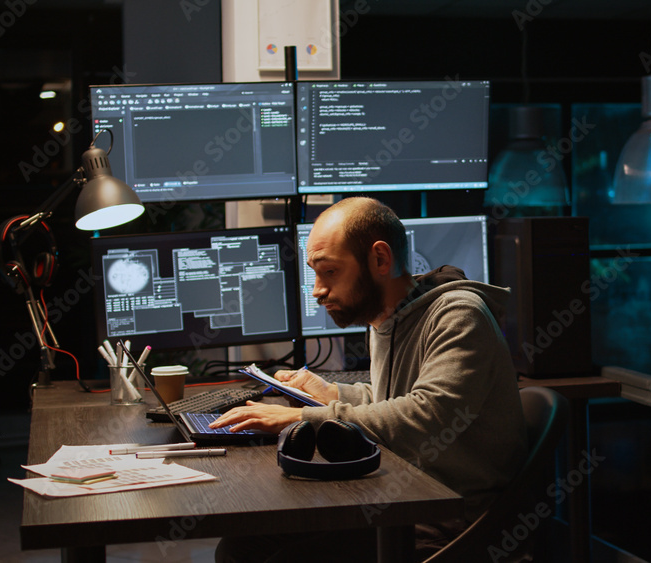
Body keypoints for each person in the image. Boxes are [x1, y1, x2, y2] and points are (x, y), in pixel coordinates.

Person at [211, 197, 527, 562]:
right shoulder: (386, 320)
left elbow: (428, 414)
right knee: (240, 546)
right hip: (400, 498)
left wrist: (304, 418)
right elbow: (393, 398)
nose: (316, 290)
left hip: (450, 517)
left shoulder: (459, 315)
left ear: (380, 259)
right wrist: (331, 392)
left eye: (329, 272)